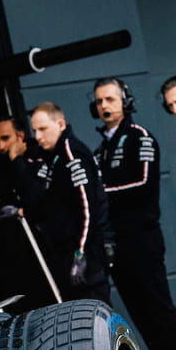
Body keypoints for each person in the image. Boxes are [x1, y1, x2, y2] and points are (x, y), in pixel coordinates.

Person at [91, 78, 176, 350]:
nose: (104, 106)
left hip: (142, 239)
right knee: (140, 313)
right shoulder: (101, 149)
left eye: (110, 99)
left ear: (125, 101)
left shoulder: (139, 137)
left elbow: (142, 184)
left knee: (158, 307)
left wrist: (101, 194)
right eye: (99, 101)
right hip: (117, 244)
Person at [22, 102, 111, 302]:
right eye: (35, 130)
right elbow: (52, 204)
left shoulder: (72, 153)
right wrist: (23, 212)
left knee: (96, 311)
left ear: (60, 124)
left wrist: (81, 253)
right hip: (66, 254)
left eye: (43, 129)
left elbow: (88, 207)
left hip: (85, 255)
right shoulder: (55, 155)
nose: (38, 136)